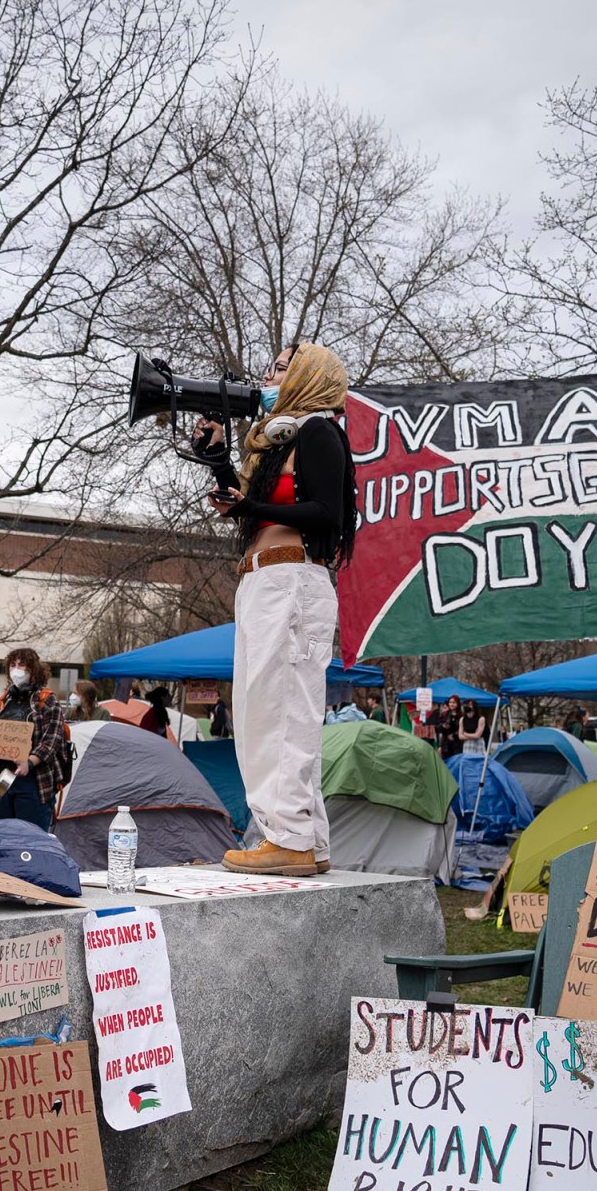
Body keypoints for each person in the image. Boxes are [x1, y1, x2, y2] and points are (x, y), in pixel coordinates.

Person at [198, 342, 357, 876]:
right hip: (267, 580)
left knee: (278, 710)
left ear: (310, 376)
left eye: (282, 366)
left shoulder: (318, 431)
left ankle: (287, 837)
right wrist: (219, 456)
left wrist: (252, 506)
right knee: (267, 708)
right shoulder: (278, 440)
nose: (270, 374)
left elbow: (325, 513)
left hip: (292, 578)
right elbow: (246, 504)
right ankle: (306, 838)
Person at [0, 647, 67, 831]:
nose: (17, 669)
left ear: (33, 669)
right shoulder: (5, 699)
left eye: (23, 665)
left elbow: (53, 739)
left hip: (33, 780)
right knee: (1, 830)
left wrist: (30, 762)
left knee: (30, 834)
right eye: (13, 665)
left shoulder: (46, 699)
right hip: (3, 778)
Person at [436, 695, 464, 759]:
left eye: (454, 702)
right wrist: (443, 726)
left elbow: (463, 728)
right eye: (450, 702)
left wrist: (454, 735)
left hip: (457, 743)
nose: (451, 704)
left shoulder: (461, 715)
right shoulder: (445, 714)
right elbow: (438, 728)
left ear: (458, 703)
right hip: (446, 743)